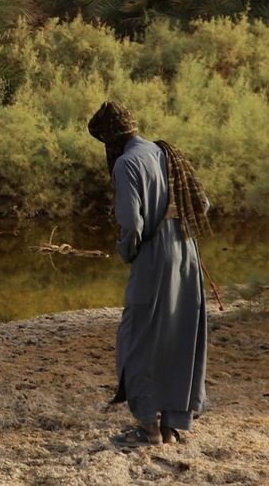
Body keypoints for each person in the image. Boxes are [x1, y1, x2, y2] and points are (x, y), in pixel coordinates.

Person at [88, 100, 211, 446]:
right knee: (178, 335)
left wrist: (127, 251)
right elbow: (202, 204)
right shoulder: (166, 153)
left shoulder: (126, 163)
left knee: (136, 337)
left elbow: (131, 223)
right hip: (187, 252)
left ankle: (148, 427)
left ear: (109, 138)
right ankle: (172, 425)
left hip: (156, 255)